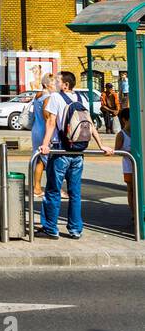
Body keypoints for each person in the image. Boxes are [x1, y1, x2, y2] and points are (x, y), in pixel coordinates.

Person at [37, 69, 113, 239]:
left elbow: (51, 122)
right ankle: (75, 229)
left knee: (53, 191)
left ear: (65, 85)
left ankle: (51, 228)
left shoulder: (56, 98)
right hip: (78, 153)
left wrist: (44, 144)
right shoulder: (80, 99)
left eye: (57, 80)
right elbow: (90, 124)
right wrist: (101, 145)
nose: (55, 82)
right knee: (75, 193)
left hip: (60, 151)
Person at [31, 72, 56, 201]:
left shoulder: (37, 95)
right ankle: (55, 188)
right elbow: (47, 117)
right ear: (46, 84)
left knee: (39, 159)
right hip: (44, 131)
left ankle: (36, 187)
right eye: (53, 83)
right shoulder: (47, 96)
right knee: (50, 160)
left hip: (35, 128)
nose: (55, 85)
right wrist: (49, 136)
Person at [114, 108, 136, 228]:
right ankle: (133, 213)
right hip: (128, 167)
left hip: (137, 167)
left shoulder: (137, 132)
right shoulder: (121, 135)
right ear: (125, 120)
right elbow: (117, 150)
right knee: (131, 190)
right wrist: (127, 151)